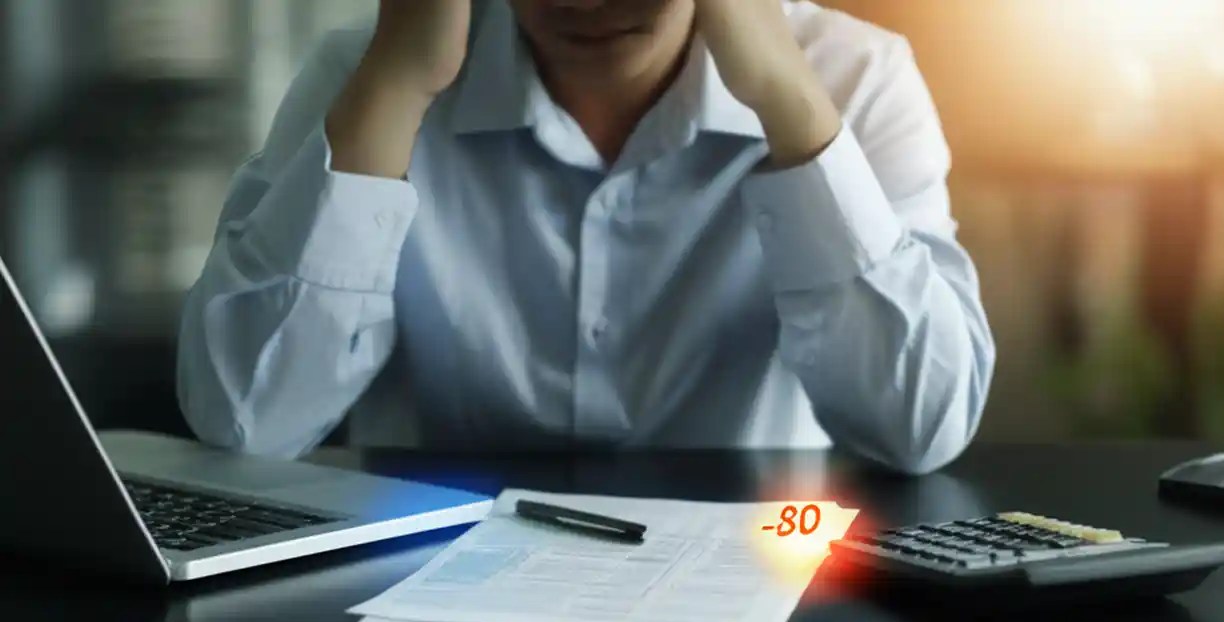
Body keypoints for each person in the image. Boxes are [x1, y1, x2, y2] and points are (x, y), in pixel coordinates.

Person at [177, 0, 995, 475]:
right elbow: (247, 418)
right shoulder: (371, 73)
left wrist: (787, 99)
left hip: (760, 604)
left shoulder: (853, 77)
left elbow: (919, 424)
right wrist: (395, 84)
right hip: (425, 613)